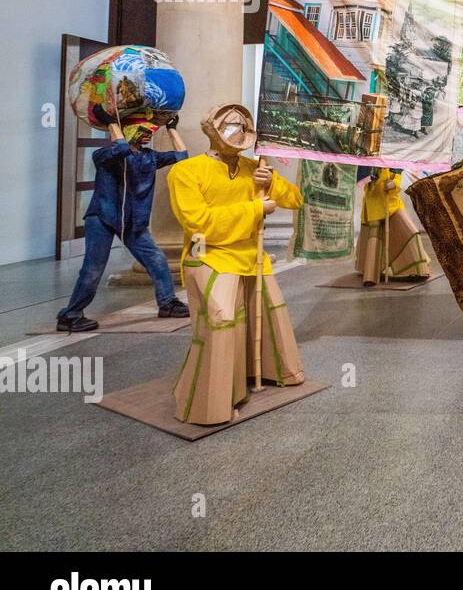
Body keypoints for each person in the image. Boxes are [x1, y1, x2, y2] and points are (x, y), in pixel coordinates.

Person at [168, 104, 306, 425]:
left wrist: (271, 182)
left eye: (242, 127)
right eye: (230, 127)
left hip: (251, 256)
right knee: (221, 318)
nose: (238, 133)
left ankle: (269, 372)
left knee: (272, 313)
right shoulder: (185, 172)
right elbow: (199, 223)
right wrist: (255, 209)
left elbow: (295, 199)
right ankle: (209, 401)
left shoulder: (253, 167)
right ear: (212, 132)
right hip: (209, 256)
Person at [56, 116, 189, 332]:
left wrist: (171, 129)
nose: (149, 133)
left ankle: (168, 303)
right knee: (93, 269)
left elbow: (183, 157)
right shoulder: (104, 155)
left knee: (156, 259)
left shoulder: (149, 157)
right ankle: (70, 315)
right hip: (103, 217)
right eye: (143, 129)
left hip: (132, 221)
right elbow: (120, 148)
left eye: (151, 130)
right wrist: (112, 122)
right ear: (127, 130)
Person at [354, 167, 434, 286]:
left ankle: (415, 269)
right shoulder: (368, 164)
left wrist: (394, 184)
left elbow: (397, 178)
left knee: (411, 233)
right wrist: (370, 179)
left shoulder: (393, 163)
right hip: (374, 206)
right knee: (374, 239)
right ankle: (371, 274)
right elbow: (362, 182)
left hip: (392, 205)